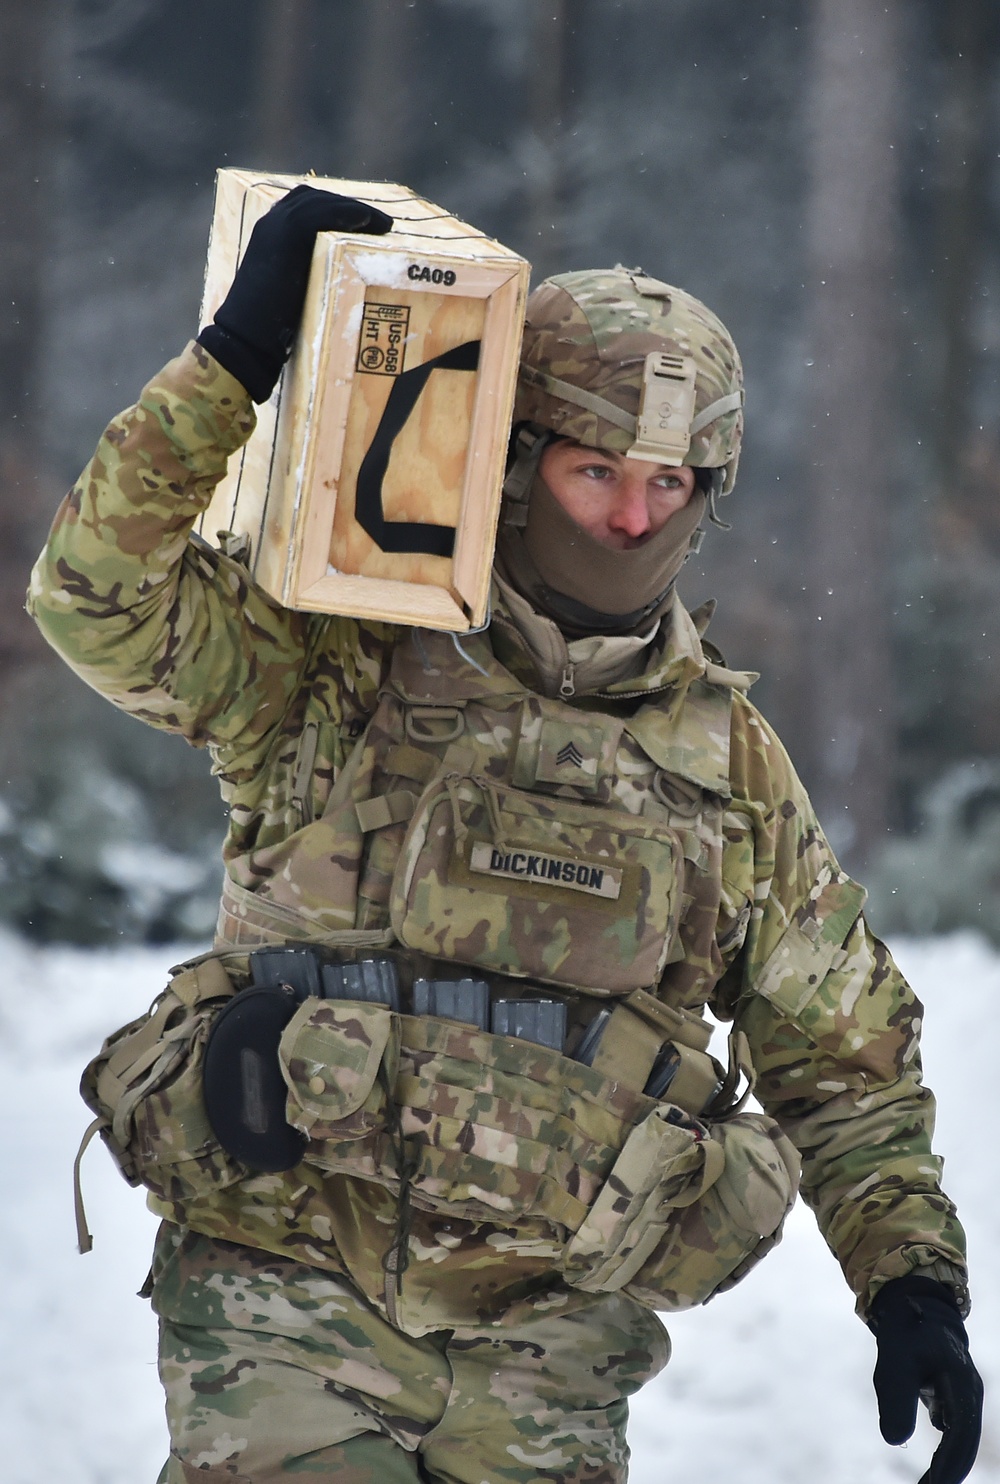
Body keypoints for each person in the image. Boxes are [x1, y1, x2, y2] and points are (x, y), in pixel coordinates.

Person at [28, 186, 983, 1484]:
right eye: (598, 473)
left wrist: (912, 1283)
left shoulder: (729, 769)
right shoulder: (338, 661)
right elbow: (92, 595)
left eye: (668, 483)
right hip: (285, 1311)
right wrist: (235, 359)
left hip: (551, 1363)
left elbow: (845, 1060)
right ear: (517, 461)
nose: (634, 519)